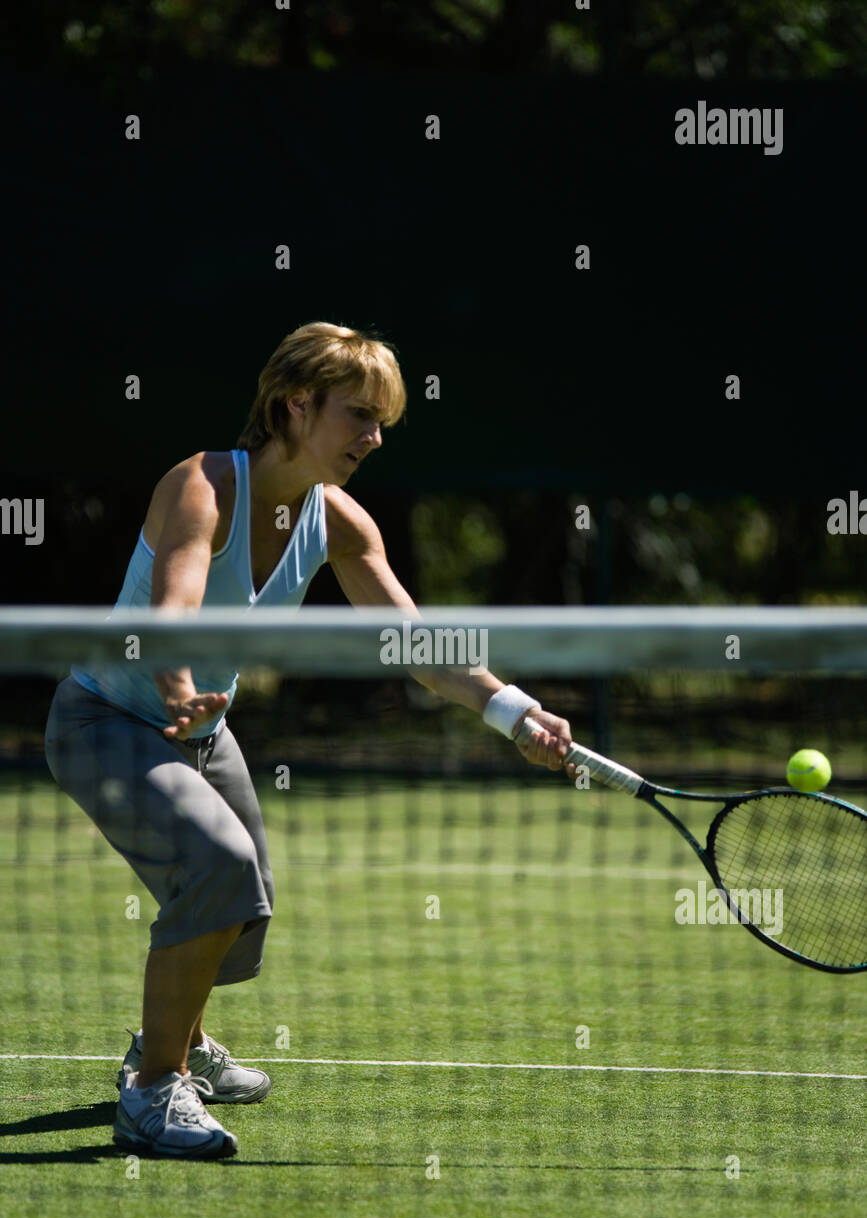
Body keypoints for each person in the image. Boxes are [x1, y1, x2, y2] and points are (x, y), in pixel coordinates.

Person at [44, 321, 574, 1160]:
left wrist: (512, 710)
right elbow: (170, 605)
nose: (372, 438)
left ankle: (169, 1043)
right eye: (358, 415)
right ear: (296, 404)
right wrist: (177, 682)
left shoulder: (339, 522)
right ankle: (152, 1093)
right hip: (104, 721)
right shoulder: (203, 484)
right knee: (217, 868)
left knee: (242, 905)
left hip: (202, 733)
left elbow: (415, 641)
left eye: (381, 424)